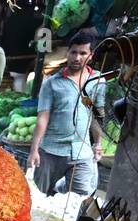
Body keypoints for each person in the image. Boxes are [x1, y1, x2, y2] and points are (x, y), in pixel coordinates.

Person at [28, 29, 107, 197]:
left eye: (83, 53)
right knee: (42, 194)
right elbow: (43, 118)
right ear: (67, 53)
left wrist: (98, 143)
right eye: (73, 52)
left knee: (80, 195)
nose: (77, 57)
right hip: (51, 150)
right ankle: (55, 190)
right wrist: (34, 149)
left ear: (91, 55)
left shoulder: (98, 81)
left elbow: (98, 114)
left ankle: (61, 189)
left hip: (82, 151)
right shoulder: (51, 83)